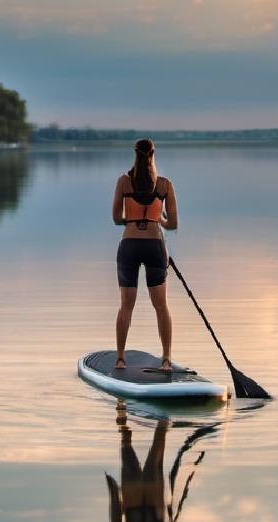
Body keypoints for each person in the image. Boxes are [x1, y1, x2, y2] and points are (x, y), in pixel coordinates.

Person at [112, 138, 178, 371]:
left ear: (135, 155)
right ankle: (167, 360)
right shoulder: (165, 185)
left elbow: (116, 218)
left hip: (129, 245)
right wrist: (157, 218)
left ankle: (120, 359)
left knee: (125, 306)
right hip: (155, 247)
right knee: (161, 306)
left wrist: (131, 220)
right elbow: (173, 223)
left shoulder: (123, 182)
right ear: (153, 155)